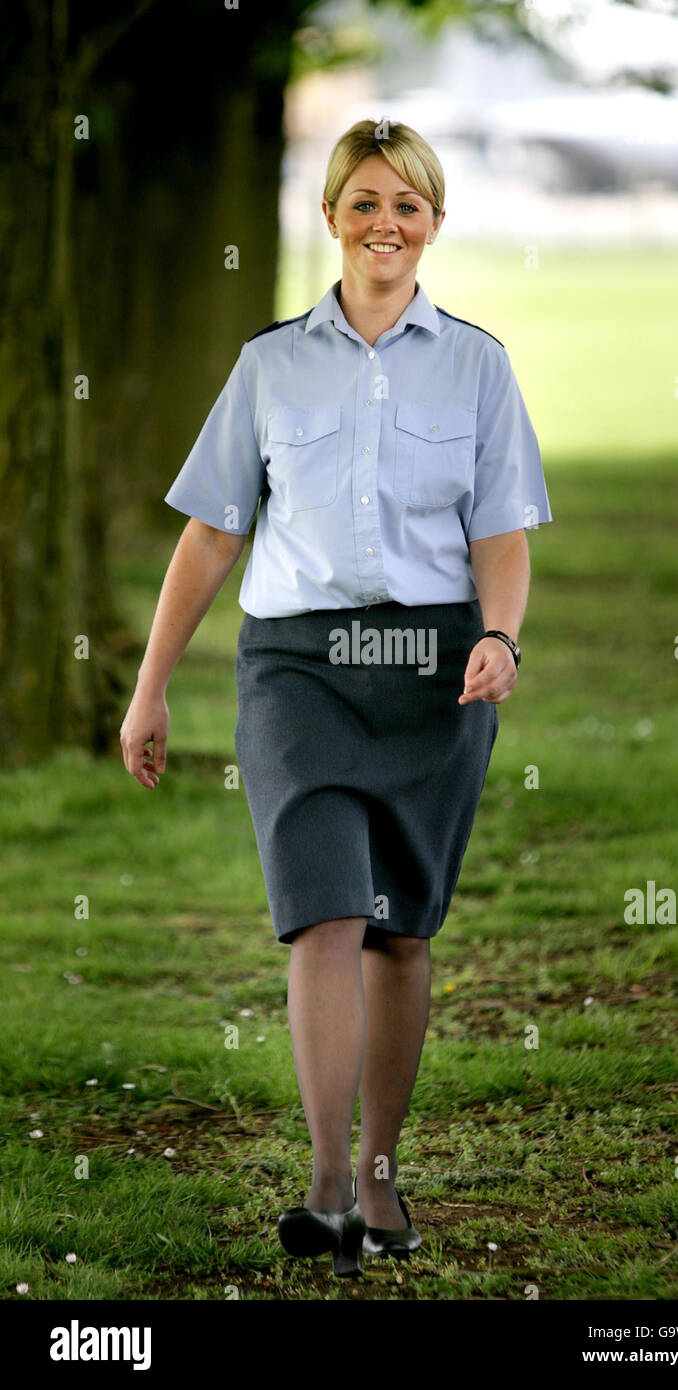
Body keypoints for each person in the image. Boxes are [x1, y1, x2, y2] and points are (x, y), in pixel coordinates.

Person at [120, 118, 553, 1279]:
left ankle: (377, 1171)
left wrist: (500, 635)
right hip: (297, 669)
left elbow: (499, 534)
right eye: (363, 202)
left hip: (433, 675)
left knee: (397, 932)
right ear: (329, 218)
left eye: (406, 204)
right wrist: (150, 686)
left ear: (433, 223)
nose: (384, 225)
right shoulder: (268, 364)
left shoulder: (477, 364)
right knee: (322, 912)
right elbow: (212, 533)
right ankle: (320, 1181)